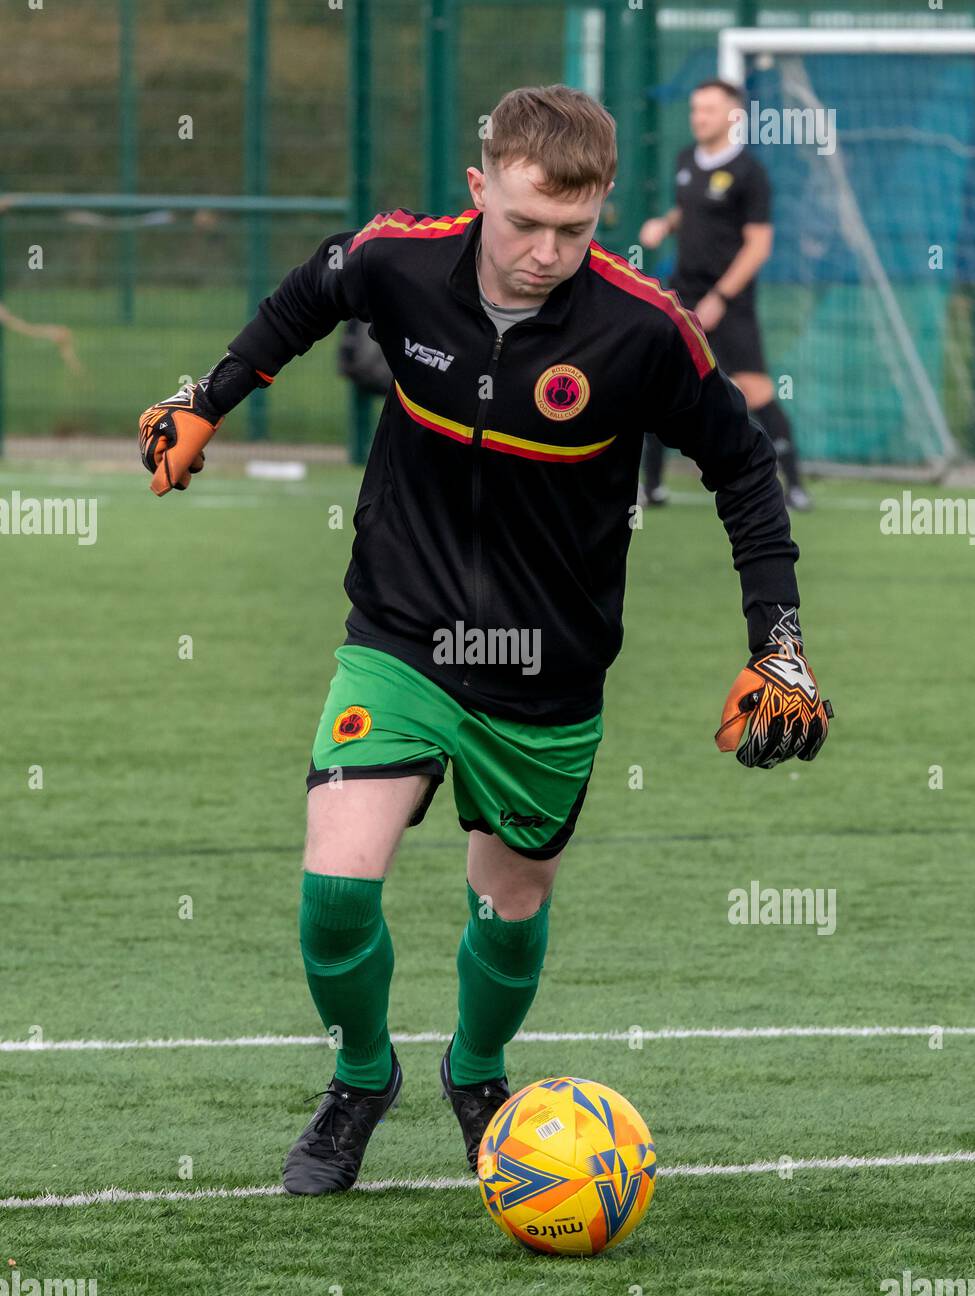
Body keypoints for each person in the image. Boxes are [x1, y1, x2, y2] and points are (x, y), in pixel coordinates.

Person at [137, 84, 830, 1198]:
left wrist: (779, 645)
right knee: (336, 889)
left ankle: (477, 1075)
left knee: (508, 911)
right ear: (479, 190)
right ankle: (363, 1078)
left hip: (549, 666)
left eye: (577, 228)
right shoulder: (400, 262)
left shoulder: (645, 329)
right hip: (399, 633)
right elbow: (310, 291)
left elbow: (744, 467)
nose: (548, 252)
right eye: (524, 222)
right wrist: (208, 398)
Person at [639, 78, 811, 511]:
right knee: (661, 385)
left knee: (754, 389)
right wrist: (667, 224)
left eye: (708, 110)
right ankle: (652, 488)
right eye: (695, 109)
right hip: (684, 292)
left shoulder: (750, 173)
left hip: (730, 301)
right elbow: (691, 207)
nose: (698, 117)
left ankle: (794, 486)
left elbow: (759, 246)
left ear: (734, 116)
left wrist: (719, 296)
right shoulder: (685, 161)